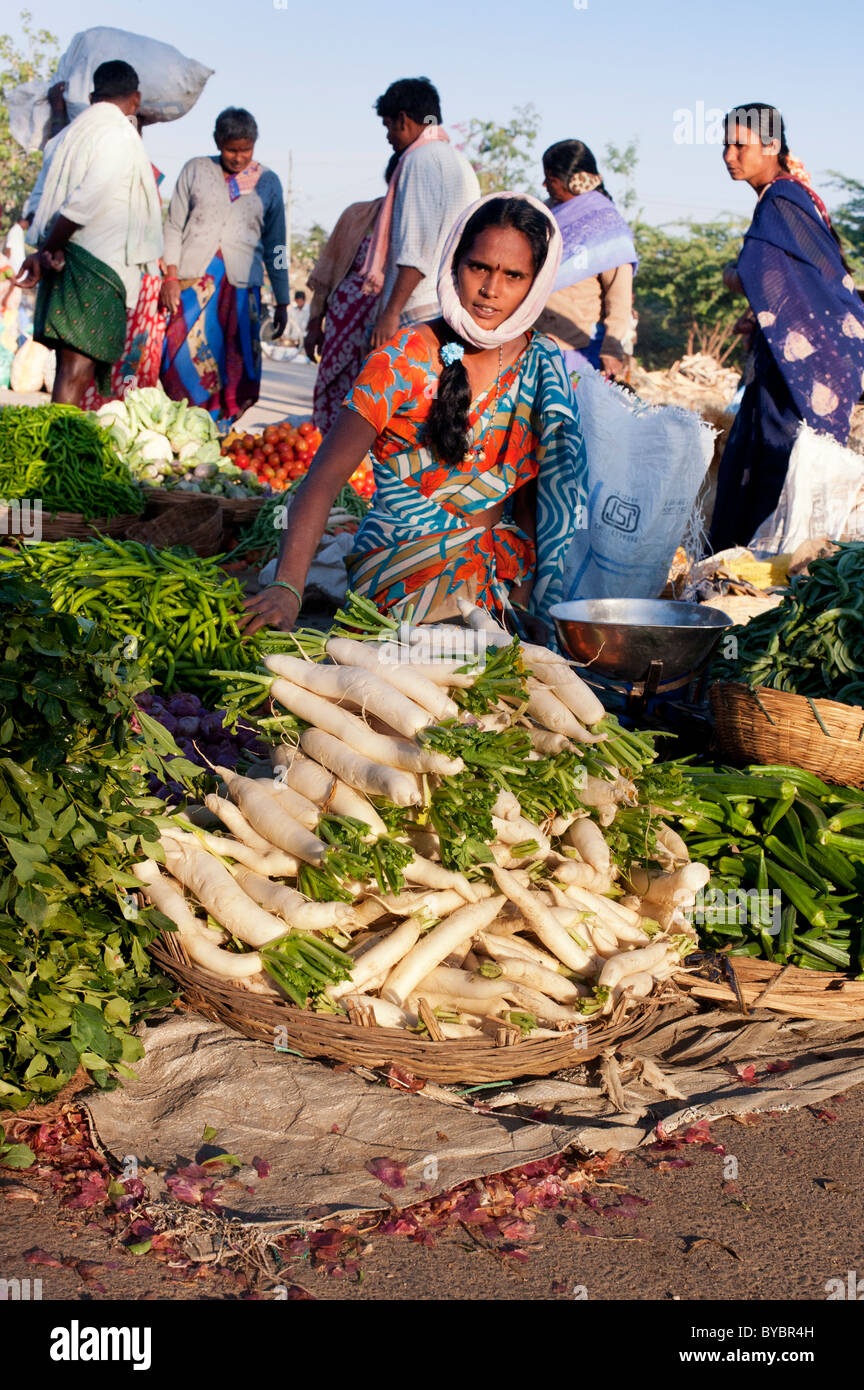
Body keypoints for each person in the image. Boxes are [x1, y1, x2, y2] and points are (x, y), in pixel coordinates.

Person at [241, 194, 588, 635]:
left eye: (514, 276)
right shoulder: (402, 360)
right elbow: (323, 481)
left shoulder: (541, 366)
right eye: (478, 267)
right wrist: (288, 588)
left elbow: (531, 504)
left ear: (536, 284)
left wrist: (518, 604)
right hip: (398, 576)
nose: (491, 289)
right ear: (454, 263)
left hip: (494, 584)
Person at [709, 104, 864, 550]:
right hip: (783, 357)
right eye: (725, 144)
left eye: (740, 145)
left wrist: (736, 277)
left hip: (792, 369)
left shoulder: (781, 200)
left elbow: (775, 273)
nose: (728, 155)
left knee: (777, 462)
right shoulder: (791, 196)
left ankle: (763, 570)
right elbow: (799, 279)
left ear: (772, 145)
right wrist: (761, 313)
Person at [15, 61, 163, 406]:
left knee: (70, 366)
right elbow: (83, 203)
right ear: (136, 98)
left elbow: (38, 203)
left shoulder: (66, 135)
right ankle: (59, 455)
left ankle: (62, 446)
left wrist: (44, 250)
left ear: (94, 96)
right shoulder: (120, 136)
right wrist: (46, 251)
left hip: (65, 259)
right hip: (94, 266)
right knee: (76, 370)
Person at [160, 107, 290, 427]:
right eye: (232, 149)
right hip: (193, 282)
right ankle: (181, 426)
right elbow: (174, 225)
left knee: (235, 363)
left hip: (242, 287)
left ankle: (218, 429)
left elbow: (277, 245)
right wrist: (171, 276)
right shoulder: (195, 169)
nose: (238, 157)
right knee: (180, 358)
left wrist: (283, 298)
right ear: (218, 142)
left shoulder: (268, 182)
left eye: (246, 150)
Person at [365, 77, 480, 347]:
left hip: (418, 307)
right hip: (449, 304)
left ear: (403, 119)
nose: (388, 136)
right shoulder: (459, 162)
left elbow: (415, 253)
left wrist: (390, 313)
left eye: (388, 126)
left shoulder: (420, 159)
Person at [304, 154, 398, 432]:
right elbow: (326, 272)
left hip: (386, 327)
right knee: (333, 395)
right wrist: (313, 322)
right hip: (342, 326)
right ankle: (326, 463)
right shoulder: (357, 215)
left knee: (373, 400)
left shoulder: (418, 225)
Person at [534, 140, 638, 379]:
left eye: (550, 178)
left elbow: (619, 294)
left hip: (577, 351)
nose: (544, 184)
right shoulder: (545, 213)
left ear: (574, 181)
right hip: (535, 341)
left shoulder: (606, 226)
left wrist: (612, 348)